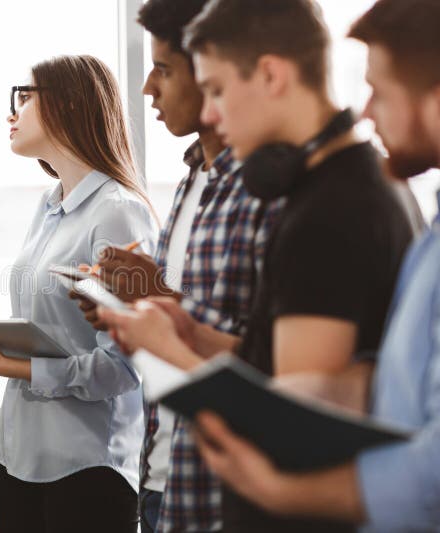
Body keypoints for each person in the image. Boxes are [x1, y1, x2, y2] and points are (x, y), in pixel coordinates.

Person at [99, 0, 414, 531]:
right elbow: (290, 370)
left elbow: (301, 426)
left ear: (270, 75)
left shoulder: (332, 209)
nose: (211, 115)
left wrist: (169, 349)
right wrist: (194, 333)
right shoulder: (336, 187)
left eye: (218, 90)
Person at [181, 0, 440, 531]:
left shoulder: (336, 208)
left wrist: (280, 492)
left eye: (381, 91)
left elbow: (427, 474)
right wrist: (357, 383)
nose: (366, 113)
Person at [71, 1, 281, 531]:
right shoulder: (192, 177)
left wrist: (156, 301)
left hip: (224, 488)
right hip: (161, 473)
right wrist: (128, 302)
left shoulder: (268, 189)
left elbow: (274, 359)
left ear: (214, 72)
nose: (148, 89)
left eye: (163, 69)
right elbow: (185, 319)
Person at [0, 55, 157, 533]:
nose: (12, 112)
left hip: (84, 467)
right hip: (15, 455)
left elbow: (123, 369)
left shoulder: (118, 211)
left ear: (69, 103)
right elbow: (53, 325)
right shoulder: (50, 203)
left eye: (24, 97)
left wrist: (9, 365)